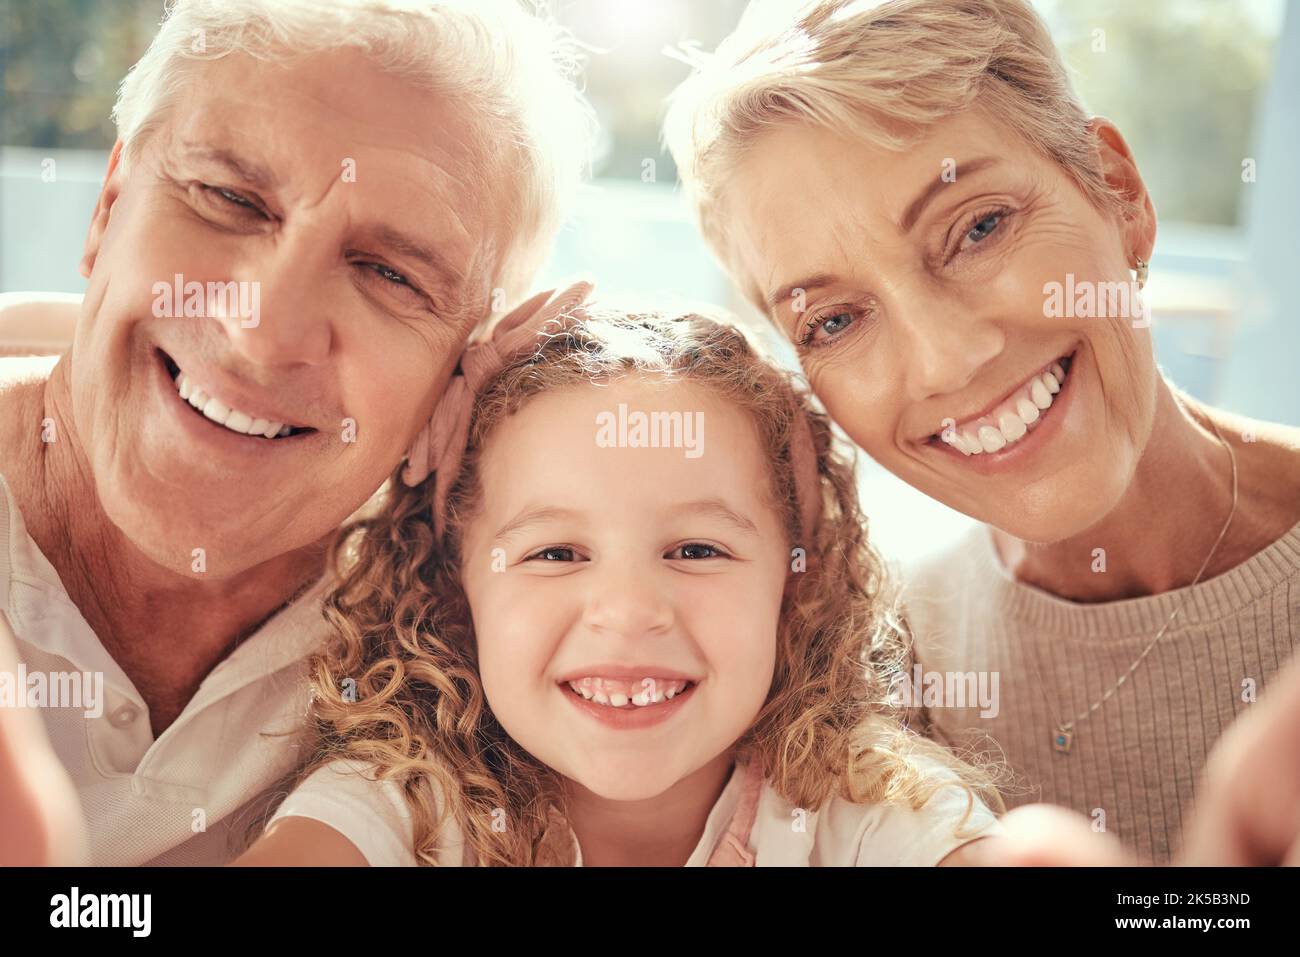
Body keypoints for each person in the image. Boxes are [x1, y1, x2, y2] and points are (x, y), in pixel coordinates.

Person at [663, 0, 1300, 863]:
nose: (945, 363)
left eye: (979, 228)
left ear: (1120, 194)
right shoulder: (868, 680)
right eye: (837, 320)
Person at [0, 0, 591, 865]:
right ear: (108, 207)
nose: (263, 333)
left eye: (390, 274)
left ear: (458, 374)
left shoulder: (463, 646)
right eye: (229, 199)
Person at [232, 283, 1004, 866]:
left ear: (797, 583)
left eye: (697, 550)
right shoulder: (406, 807)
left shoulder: (869, 812)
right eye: (556, 554)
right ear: (453, 591)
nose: (630, 611)